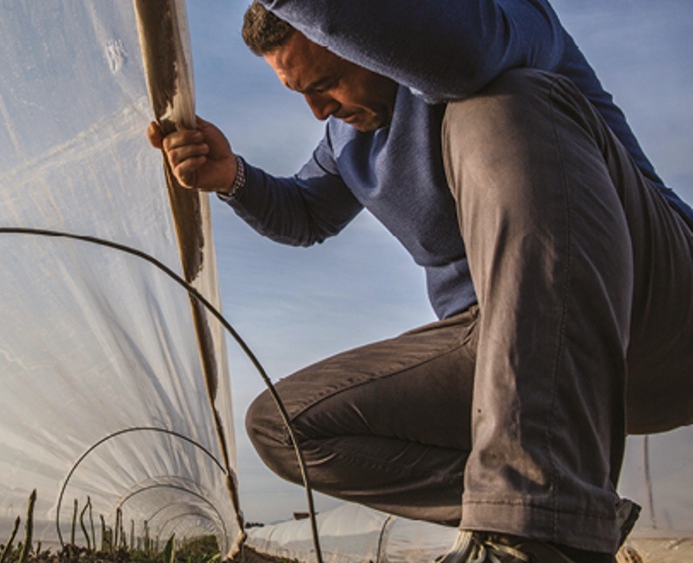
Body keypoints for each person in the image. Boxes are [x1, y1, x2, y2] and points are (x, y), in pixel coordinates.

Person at [147, 1, 693, 561]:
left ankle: (541, 533)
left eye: (325, 83)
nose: (317, 110)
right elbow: (307, 213)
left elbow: (467, 60)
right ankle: (557, 503)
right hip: (508, 358)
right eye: (301, 93)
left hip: (658, 305)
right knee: (282, 425)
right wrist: (232, 177)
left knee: (500, 102)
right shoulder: (347, 141)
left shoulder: (496, 22)